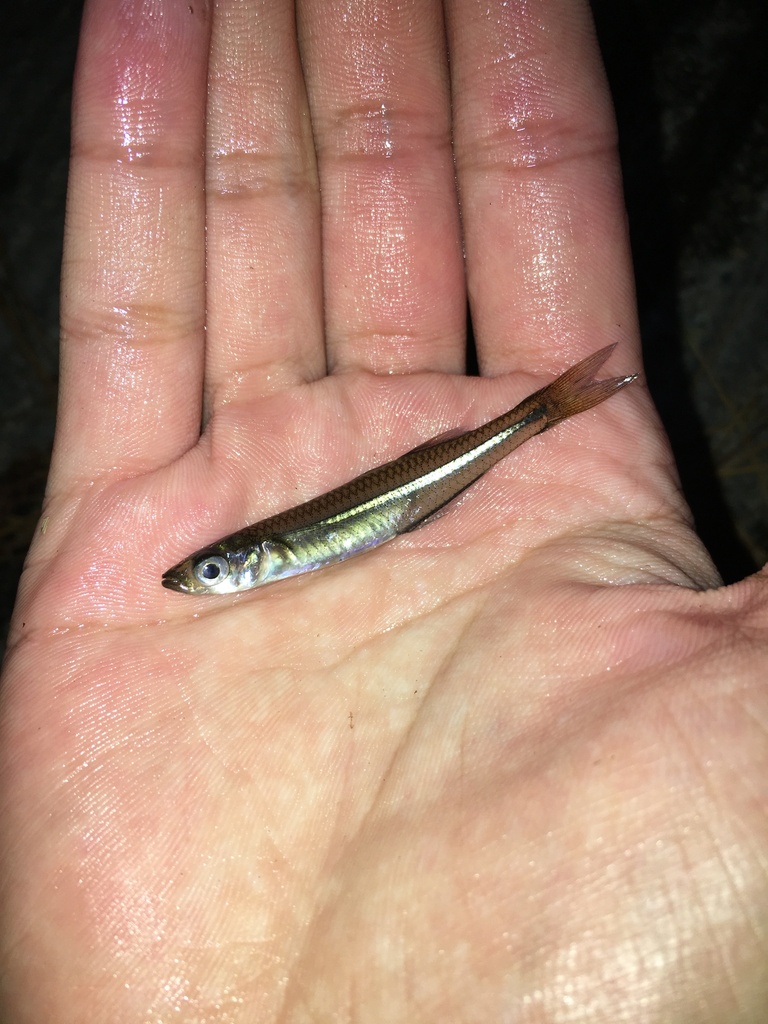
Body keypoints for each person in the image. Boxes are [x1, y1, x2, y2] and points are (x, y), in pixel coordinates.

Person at [1, 0, 765, 1019]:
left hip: (434, 469)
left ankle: (548, 410)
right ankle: (548, 409)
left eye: (217, 567)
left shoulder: (285, 546)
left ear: (258, 555)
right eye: (213, 573)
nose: (209, 579)